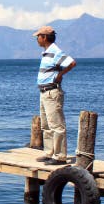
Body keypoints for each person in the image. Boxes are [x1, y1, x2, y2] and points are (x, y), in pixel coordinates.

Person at [33, 26, 77, 166]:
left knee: (56, 125)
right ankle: (49, 152)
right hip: (44, 92)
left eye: (38, 36)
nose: (37, 39)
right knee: (46, 125)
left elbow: (71, 63)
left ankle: (59, 156)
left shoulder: (55, 51)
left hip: (52, 92)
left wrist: (59, 75)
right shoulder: (46, 53)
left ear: (44, 37)